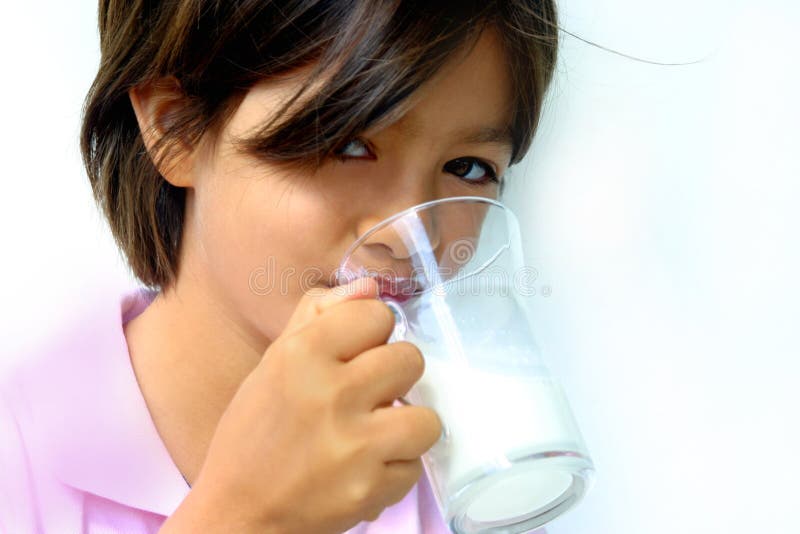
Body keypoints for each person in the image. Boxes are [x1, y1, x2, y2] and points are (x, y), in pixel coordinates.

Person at [0, 1, 559, 532]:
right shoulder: (19, 456)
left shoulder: (466, 466)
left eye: (468, 167)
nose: (411, 236)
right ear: (176, 129)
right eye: (348, 144)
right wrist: (242, 516)